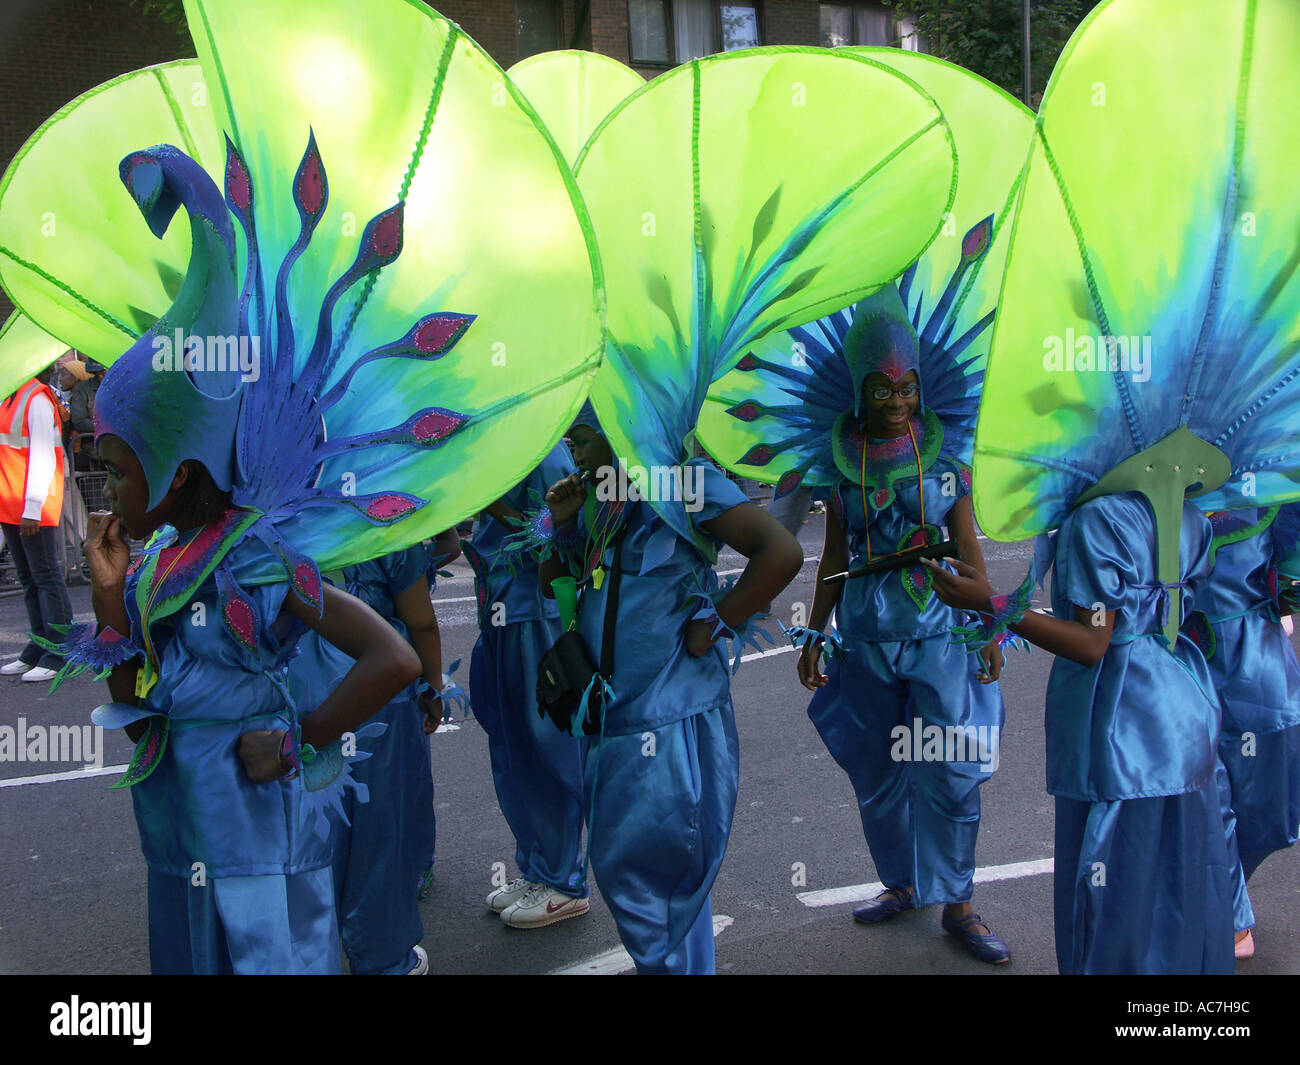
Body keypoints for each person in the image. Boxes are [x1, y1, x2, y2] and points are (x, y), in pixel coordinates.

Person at [533, 403, 802, 974]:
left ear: (617, 429)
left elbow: (781, 553)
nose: (572, 451)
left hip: (670, 716)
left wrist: (719, 620)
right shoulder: (599, 497)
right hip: (614, 719)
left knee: (664, 874)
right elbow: (556, 584)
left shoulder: (684, 483)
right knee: (628, 870)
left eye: (580, 437)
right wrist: (559, 525)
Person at [927, 492, 1235, 975]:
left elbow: (1093, 642)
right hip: (1184, 709)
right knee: (1184, 884)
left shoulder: (1097, 517)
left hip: (1122, 729)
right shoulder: (1183, 506)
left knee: (1114, 902)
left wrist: (993, 604)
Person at [792, 288, 1010, 964]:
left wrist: (987, 627)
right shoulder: (839, 461)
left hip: (938, 634)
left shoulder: (946, 456)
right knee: (880, 770)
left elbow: (967, 547)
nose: (895, 402)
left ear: (920, 383)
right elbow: (833, 554)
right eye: (881, 391)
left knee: (949, 766)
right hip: (863, 639)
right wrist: (815, 632)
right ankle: (902, 880)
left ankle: (961, 903)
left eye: (905, 388)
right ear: (858, 390)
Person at [288, 531, 460, 974]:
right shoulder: (388, 522)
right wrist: (433, 688)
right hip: (380, 694)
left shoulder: (281, 522)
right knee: (380, 835)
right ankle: (385, 961)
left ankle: (307, 955)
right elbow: (420, 620)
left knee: (310, 834)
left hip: (301, 698)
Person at [465, 442, 590, 927]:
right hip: (499, 611)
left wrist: (492, 497)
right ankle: (537, 866)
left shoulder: (544, 450)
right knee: (511, 749)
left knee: (546, 749)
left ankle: (564, 880)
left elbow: (558, 540)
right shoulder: (497, 441)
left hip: (531, 614)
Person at [1183, 505, 1300, 960]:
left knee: (1276, 806)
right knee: (1204, 794)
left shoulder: (1272, 477)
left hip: (1258, 657)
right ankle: (1225, 913)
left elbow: (1289, 579)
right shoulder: (1155, 479)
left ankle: (1223, 890)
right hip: (1178, 657)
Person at [0, 366, 73, 683]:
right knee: (30, 578)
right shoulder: (9, 396)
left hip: (33, 504)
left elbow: (43, 454)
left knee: (46, 577)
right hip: (11, 503)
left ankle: (60, 651)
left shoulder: (35, 398)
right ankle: (39, 644)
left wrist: (32, 507)